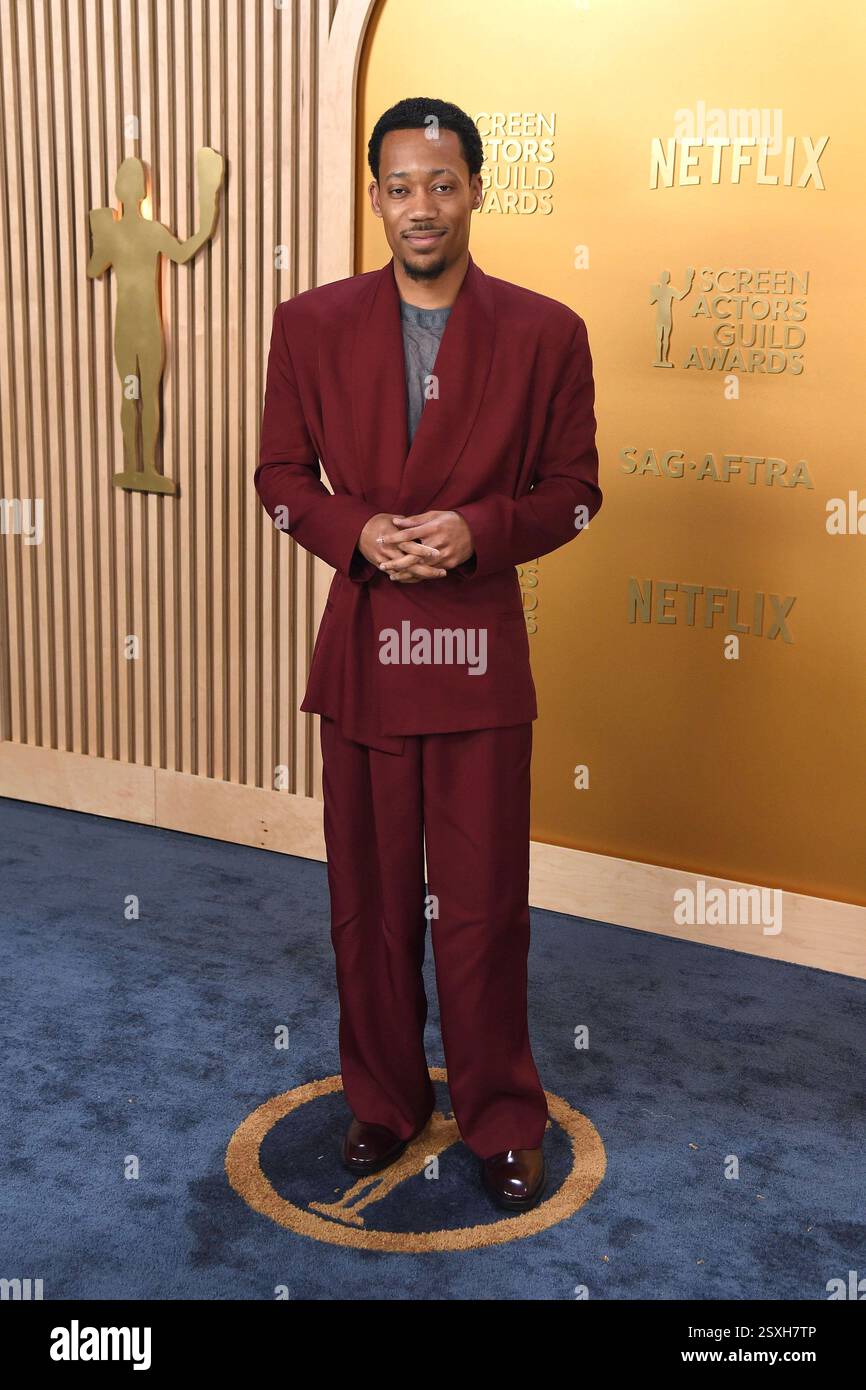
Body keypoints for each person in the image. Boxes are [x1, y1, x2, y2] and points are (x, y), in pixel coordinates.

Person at [255, 96, 602, 1212]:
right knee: (366, 897)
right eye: (399, 186)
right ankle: (385, 1100)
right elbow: (277, 479)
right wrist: (352, 528)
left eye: (441, 184)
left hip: (476, 655)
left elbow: (575, 494)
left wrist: (481, 530)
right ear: (374, 197)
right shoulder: (307, 323)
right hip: (362, 647)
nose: (420, 206)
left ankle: (502, 1113)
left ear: (474, 191)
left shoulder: (546, 331)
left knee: (484, 899)